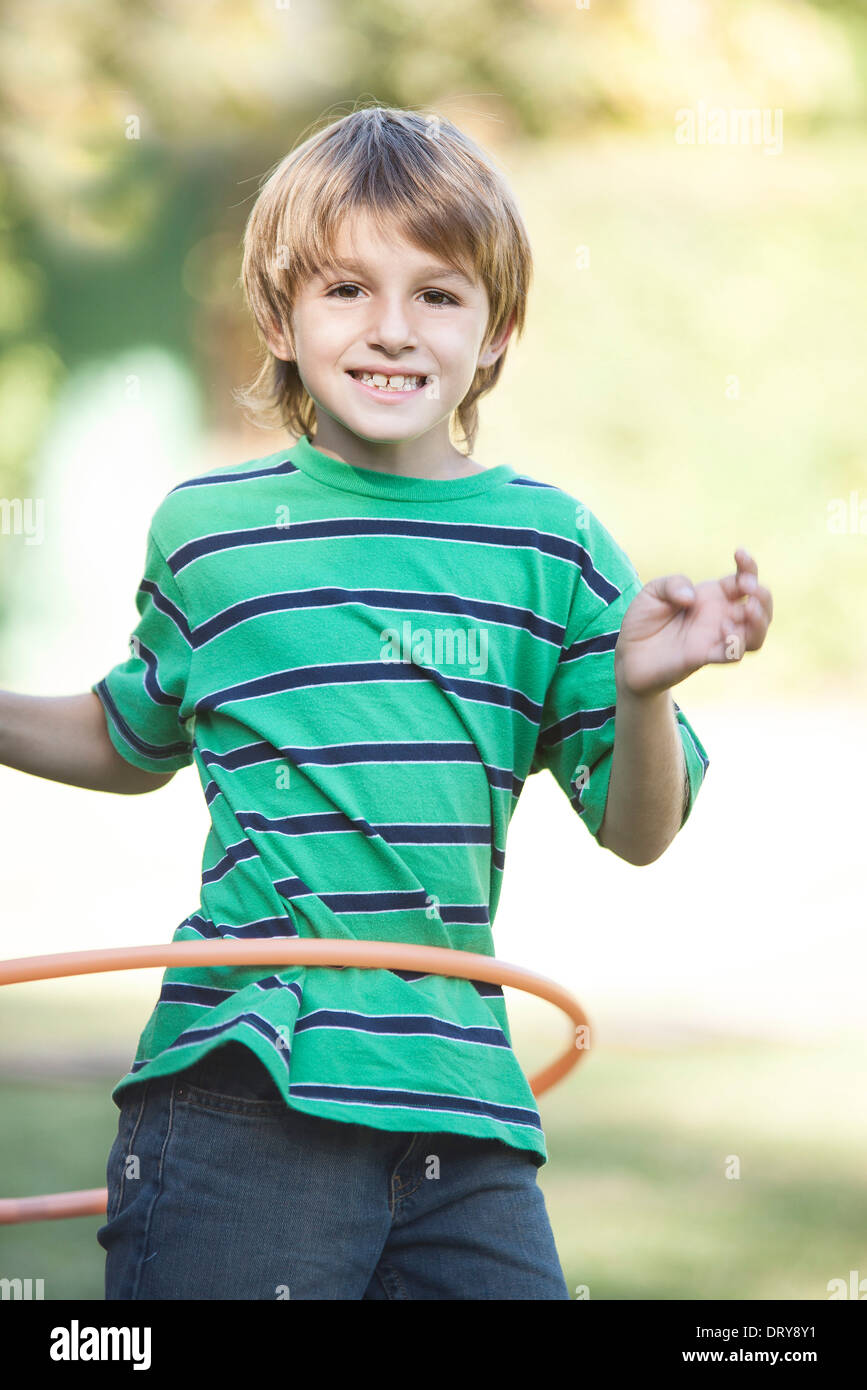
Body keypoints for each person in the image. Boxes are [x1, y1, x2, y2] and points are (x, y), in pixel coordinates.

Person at [1, 104, 772, 1300]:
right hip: (248, 1075)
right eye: (348, 290)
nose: (393, 331)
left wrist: (640, 693)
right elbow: (127, 730)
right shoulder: (212, 534)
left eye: (440, 295)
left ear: (498, 328)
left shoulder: (553, 549)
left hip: (464, 1098)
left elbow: (640, 831)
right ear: (278, 316)